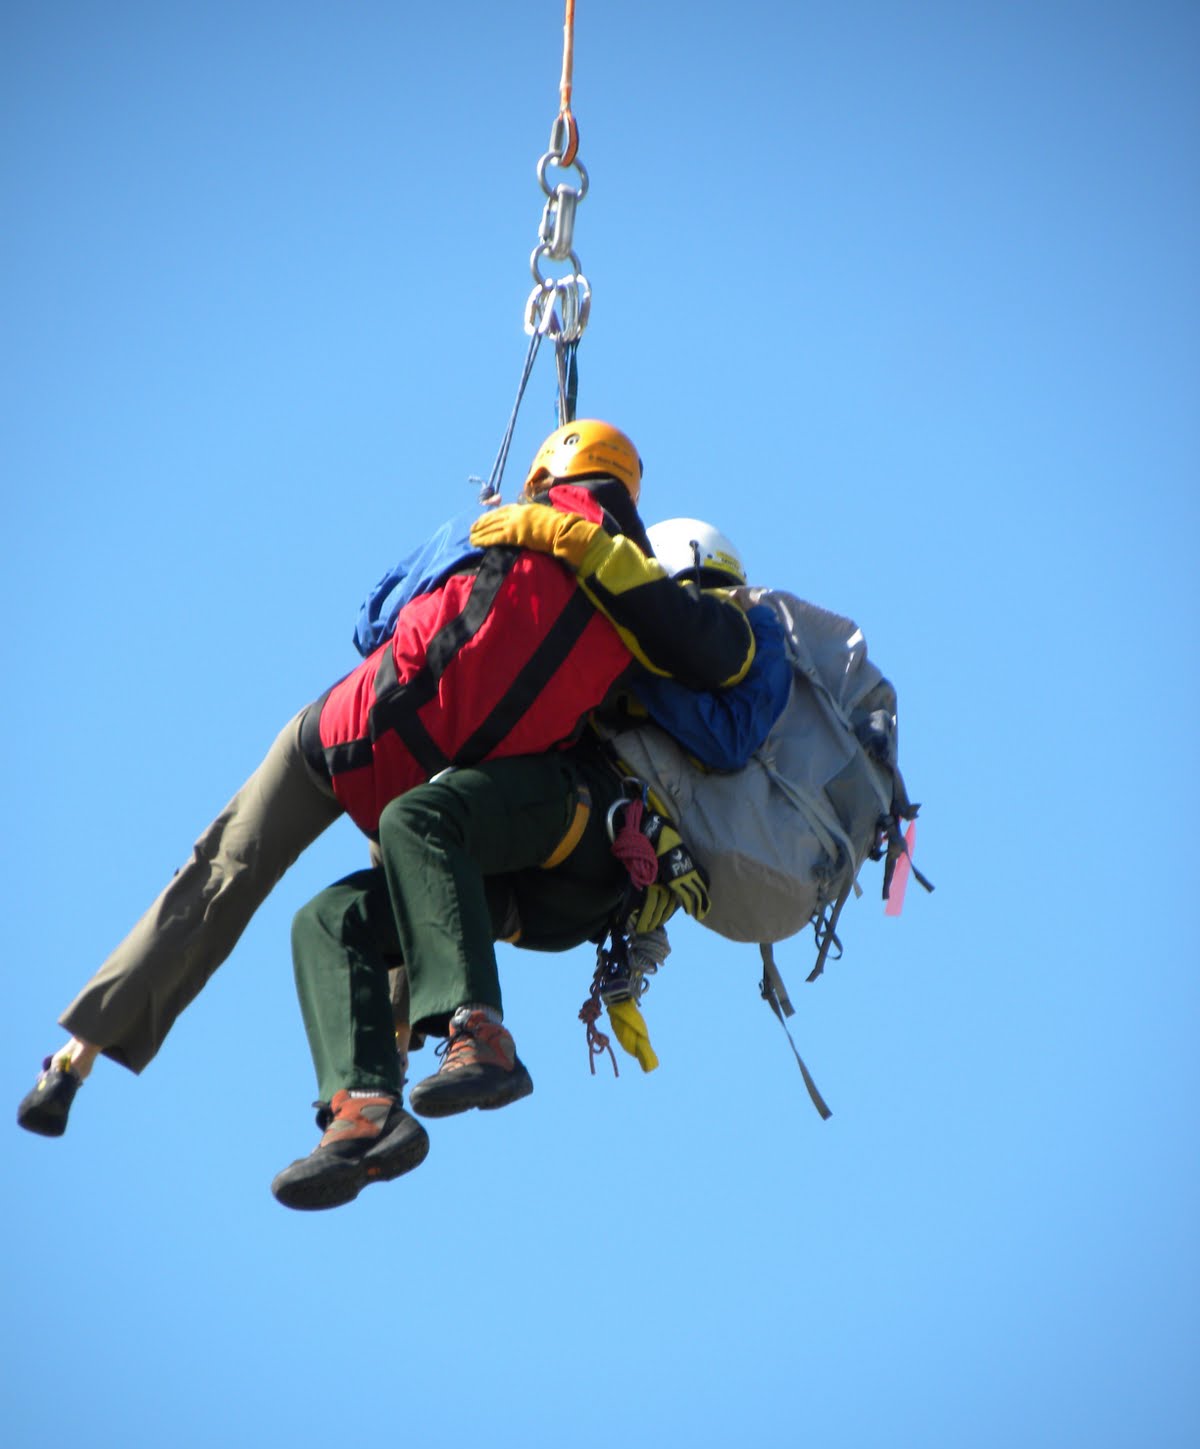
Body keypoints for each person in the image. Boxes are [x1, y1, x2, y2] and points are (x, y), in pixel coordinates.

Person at [18, 421, 757, 1142]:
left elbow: (374, 621)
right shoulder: (647, 625)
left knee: (222, 872)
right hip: (431, 784)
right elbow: (725, 663)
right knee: (414, 891)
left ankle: (76, 1061)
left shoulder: (493, 528)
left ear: (544, 476)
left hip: (343, 742)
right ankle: (385, 1085)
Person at [269, 516, 785, 1210]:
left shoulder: (745, 634)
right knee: (329, 921)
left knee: (419, 819)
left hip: (600, 826)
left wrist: (621, 648)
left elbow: (728, 737)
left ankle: (479, 1032)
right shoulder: (628, 625)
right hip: (529, 879)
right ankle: (363, 1107)